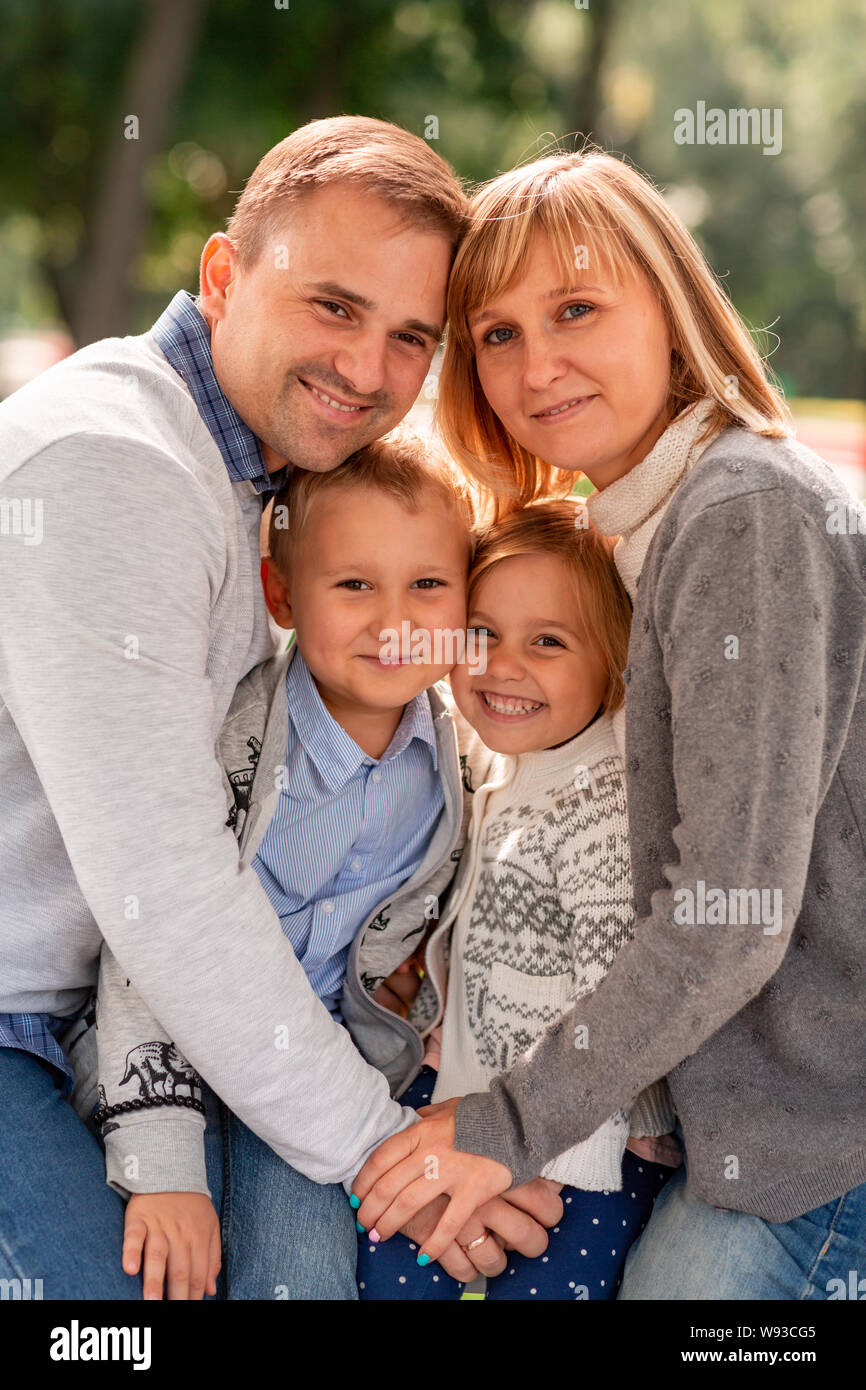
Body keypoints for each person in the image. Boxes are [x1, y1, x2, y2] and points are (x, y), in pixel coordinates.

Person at [351, 148, 866, 1301]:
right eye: (495, 333)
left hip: (821, 1144)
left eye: (576, 308)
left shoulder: (740, 515)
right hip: (705, 1124)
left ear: (671, 314)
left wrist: (508, 1123)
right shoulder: (630, 524)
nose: (537, 366)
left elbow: (727, 910)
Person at [0, 114, 481, 1300]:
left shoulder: (253, 477)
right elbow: (166, 886)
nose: (367, 371)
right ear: (223, 276)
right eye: (333, 306)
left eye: (408, 336)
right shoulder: (117, 466)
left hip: (94, 1020)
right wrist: (384, 1152)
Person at [92, 433, 564, 1299]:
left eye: (428, 584)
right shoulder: (234, 746)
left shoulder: (459, 756)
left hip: (320, 1079)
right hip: (170, 1061)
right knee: (158, 1271)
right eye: (354, 585)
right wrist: (163, 1164)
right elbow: (144, 938)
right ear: (281, 592)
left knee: (302, 1277)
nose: (396, 622)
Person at [355, 501, 681, 1300]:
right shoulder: (497, 762)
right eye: (482, 633)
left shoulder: (603, 802)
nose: (501, 666)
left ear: (615, 659)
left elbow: (617, 1010)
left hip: (583, 1147)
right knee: (387, 1265)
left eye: (548, 641)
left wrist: (534, 1154)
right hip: (461, 1093)